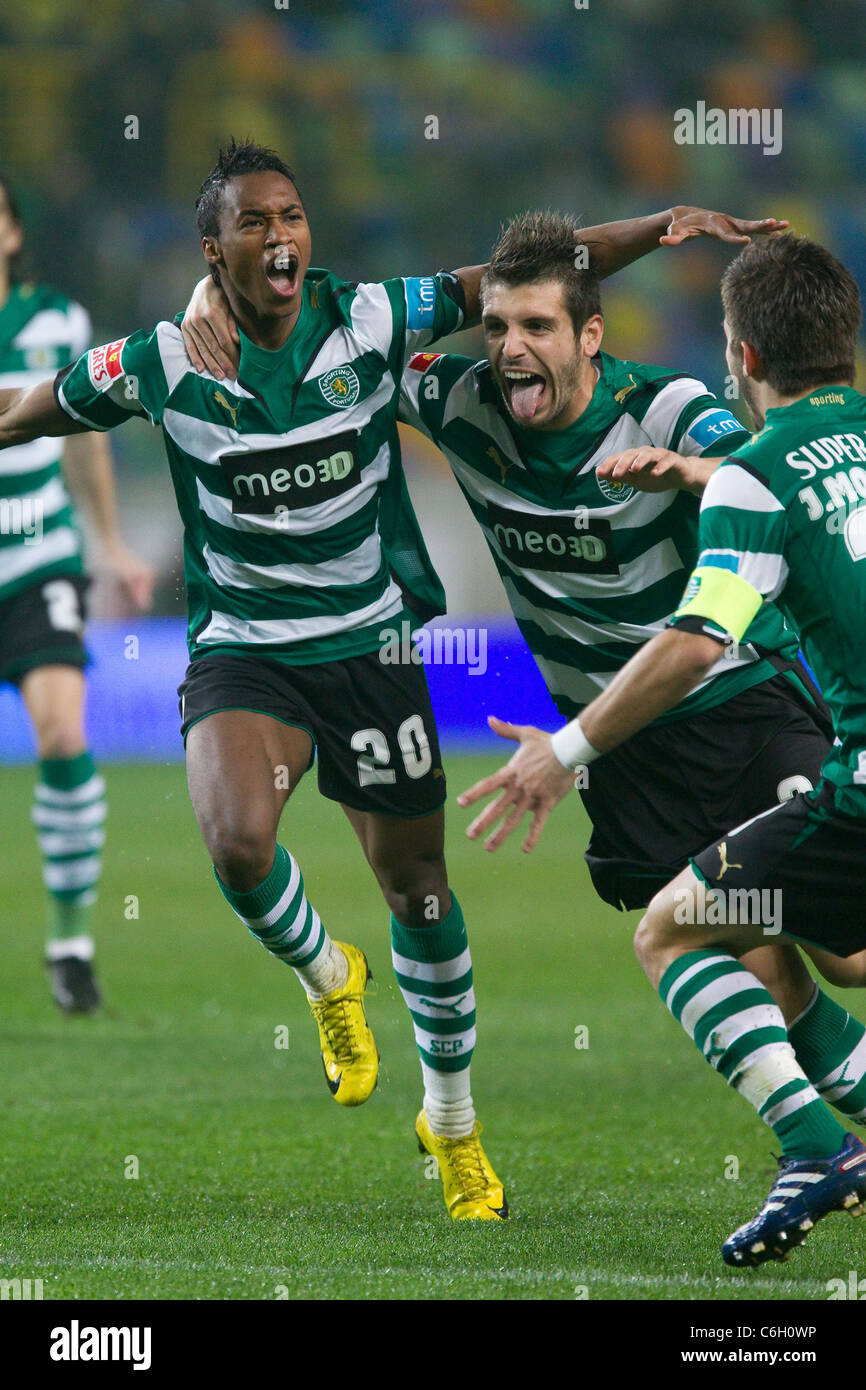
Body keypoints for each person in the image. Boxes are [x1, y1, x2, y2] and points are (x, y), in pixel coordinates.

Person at [396, 209, 866, 1135]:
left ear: (592, 335)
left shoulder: (668, 406)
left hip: (739, 704)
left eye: (537, 326)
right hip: (627, 741)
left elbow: (771, 478)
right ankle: (820, 1156)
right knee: (753, 955)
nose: (511, 349)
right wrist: (223, 299)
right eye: (496, 327)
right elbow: (345, 340)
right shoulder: (454, 403)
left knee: (840, 952)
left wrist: (689, 471)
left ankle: (818, 1156)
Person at [0, 172, 153, 1013]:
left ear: (13, 234)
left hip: (37, 563)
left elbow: (85, 437)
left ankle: (69, 943)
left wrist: (112, 543)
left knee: (62, 736)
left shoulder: (56, 321)